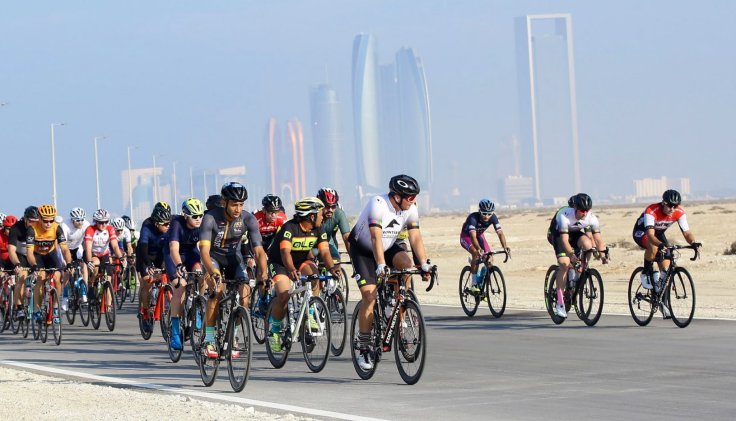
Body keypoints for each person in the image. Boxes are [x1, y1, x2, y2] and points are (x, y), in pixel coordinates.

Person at [348, 174, 434, 371]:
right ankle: (364, 347)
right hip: (363, 250)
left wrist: (424, 264)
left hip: (387, 246)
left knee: (406, 263)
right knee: (369, 296)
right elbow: (375, 237)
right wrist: (380, 265)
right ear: (397, 196)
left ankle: (394, 303)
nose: (414, 201)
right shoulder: (377, 204)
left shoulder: (410, 209)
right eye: (411, 197)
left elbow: (416, 238)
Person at [198, 182, 268, 358]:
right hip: (212, 258)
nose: (238, 209)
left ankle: (234, 336)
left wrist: (264, 273)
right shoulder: (210, 218)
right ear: (224, 202)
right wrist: (213, 273)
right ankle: (209, 338)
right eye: (234, 204)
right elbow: (204, 251)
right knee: (217, 290)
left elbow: (259, 251)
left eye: (241, 204)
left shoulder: (248, 219)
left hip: (234, 260)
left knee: (244, 297)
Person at [266, 197, 342, 352]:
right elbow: (285, 252)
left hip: (301, 261)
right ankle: (274, 331)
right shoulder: (290, 228)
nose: (323, 216)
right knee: (284, 295)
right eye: (320, 213)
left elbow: (325, 251)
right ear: (311, 216)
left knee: (314, 275)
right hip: (280, 263)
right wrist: (291, 270)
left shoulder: (319, 229)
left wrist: (332, 267)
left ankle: (311, 314)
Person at [632, 189, 701, 317]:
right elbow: (651, 235)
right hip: (643, 232)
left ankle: (661, 301)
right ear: (663, 203)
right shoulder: (651, 210)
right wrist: (661, 245)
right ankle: (646, 272)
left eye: (675, 206)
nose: (672, 208)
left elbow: (686, 232)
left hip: (658, 233)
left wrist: (693, 243)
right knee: (653, 247)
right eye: (670, 205)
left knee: (666, 268)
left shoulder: (679, 212)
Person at [546, 193, 609, 318]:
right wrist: (572, 256)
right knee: (564, 263)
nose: (585, 213)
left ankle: (581, 271)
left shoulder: (591, 218)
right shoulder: (564, 216)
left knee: (588, 245)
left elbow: (598, 239)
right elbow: (564, 241)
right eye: (582, 211)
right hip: (558, 235)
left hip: (574, 234)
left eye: (587, 210)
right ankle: (559, 302)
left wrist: (602, 254)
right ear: (575, 208)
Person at [165, 198, 204, 351]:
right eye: (195, 216)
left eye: (200, 215)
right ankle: (175, 331)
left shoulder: (202, 225)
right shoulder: (177, 224)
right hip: (173, 255)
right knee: (180, 287)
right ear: (186, 215)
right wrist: (179, 265)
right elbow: (174, 249)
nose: (198, 219)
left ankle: (199, 307)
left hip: (191, 253)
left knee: (201, 276)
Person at [25, 204, 73, 321]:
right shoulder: (32, 230)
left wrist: (69, 262)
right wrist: (34, 266)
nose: (48, 223)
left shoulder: (57, 228)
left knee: (57, 277)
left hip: (50, 255)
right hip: (37, 256)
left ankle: (56, 307)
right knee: (41, 278)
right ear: (40, 219)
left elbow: (65, 249)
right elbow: (29, 253)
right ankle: (37, 309)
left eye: (51, 220)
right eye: (45, 221)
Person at [460, 198, 510, 293]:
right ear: (479, 211)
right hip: (467, 237)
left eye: (489, 214)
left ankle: (482, 282)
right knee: (475, 253)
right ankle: (474, 284)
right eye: (484, 213)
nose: (486, 216)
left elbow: (500, 233)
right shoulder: (473, 218)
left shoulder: (493, 217)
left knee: (490, 258)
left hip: (479, 236)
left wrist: (505, 246)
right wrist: (478, 248)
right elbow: (473, 236)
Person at [135, 202, 171, 329]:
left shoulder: (169, 227)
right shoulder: (147, 227)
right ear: (156, 223)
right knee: (147, 283)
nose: (168, 226)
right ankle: (145, 313)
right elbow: (143, 248)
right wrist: (149, 265)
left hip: (160, 254)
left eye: (169, 222)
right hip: (145, 255)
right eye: (165, 224)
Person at [7, 207, 39, 320]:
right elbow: (11, 250)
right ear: (25, 219)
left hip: (34, 255)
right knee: (21, 277)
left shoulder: (39, 228)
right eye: (31, 221)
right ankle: (19, 308)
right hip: (20, 255)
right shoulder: (16, 228)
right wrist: (16, 264)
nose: (33, 224)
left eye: (36, 221)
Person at [316, 187, 351, 260]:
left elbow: (346, 237)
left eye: (333, 206)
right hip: (312, 243)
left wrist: (353, 258)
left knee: (336, 262)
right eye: (327, 206)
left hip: (328, 242)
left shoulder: (339, 213)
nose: (330, 210)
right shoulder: (313, 214)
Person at [65, 207, 91, 303]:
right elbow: (62, 246)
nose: (80, 222)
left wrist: (86, 256)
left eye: (82, 220)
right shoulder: (65, 226)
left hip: (77, 247)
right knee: (68, 271)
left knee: (83, 265)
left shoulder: (86, 225)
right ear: (72, 220)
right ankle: (65, 295)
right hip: (65, 249)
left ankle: (84, 291)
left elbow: (87, 242)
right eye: (77, 220)